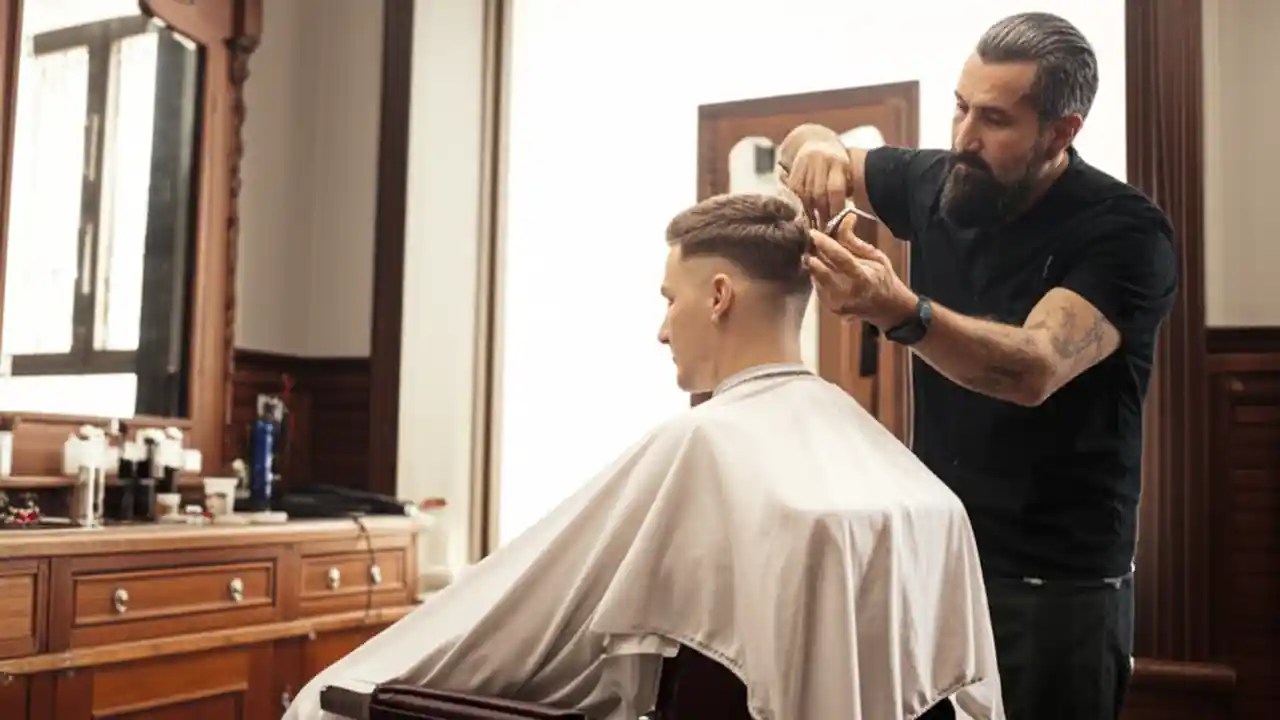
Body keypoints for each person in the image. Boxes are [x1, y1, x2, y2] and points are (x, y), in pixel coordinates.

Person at [284, 193, 1003, 720]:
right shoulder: (908, 482)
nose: (663, 330)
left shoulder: (703, 444)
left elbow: (522, 622)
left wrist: (334, 695)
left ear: (720, 295)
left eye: (670, 300)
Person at [777, 11, 1178, 720]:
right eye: (961, 106)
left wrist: (901, 311)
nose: (964, 136)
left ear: (1062, 131)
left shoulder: (1124, 231)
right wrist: (816, 146)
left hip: (1056, 586)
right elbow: (805, 147)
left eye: (995, 119)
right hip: (940, 556)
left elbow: (1034, 367)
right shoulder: (941, 180)